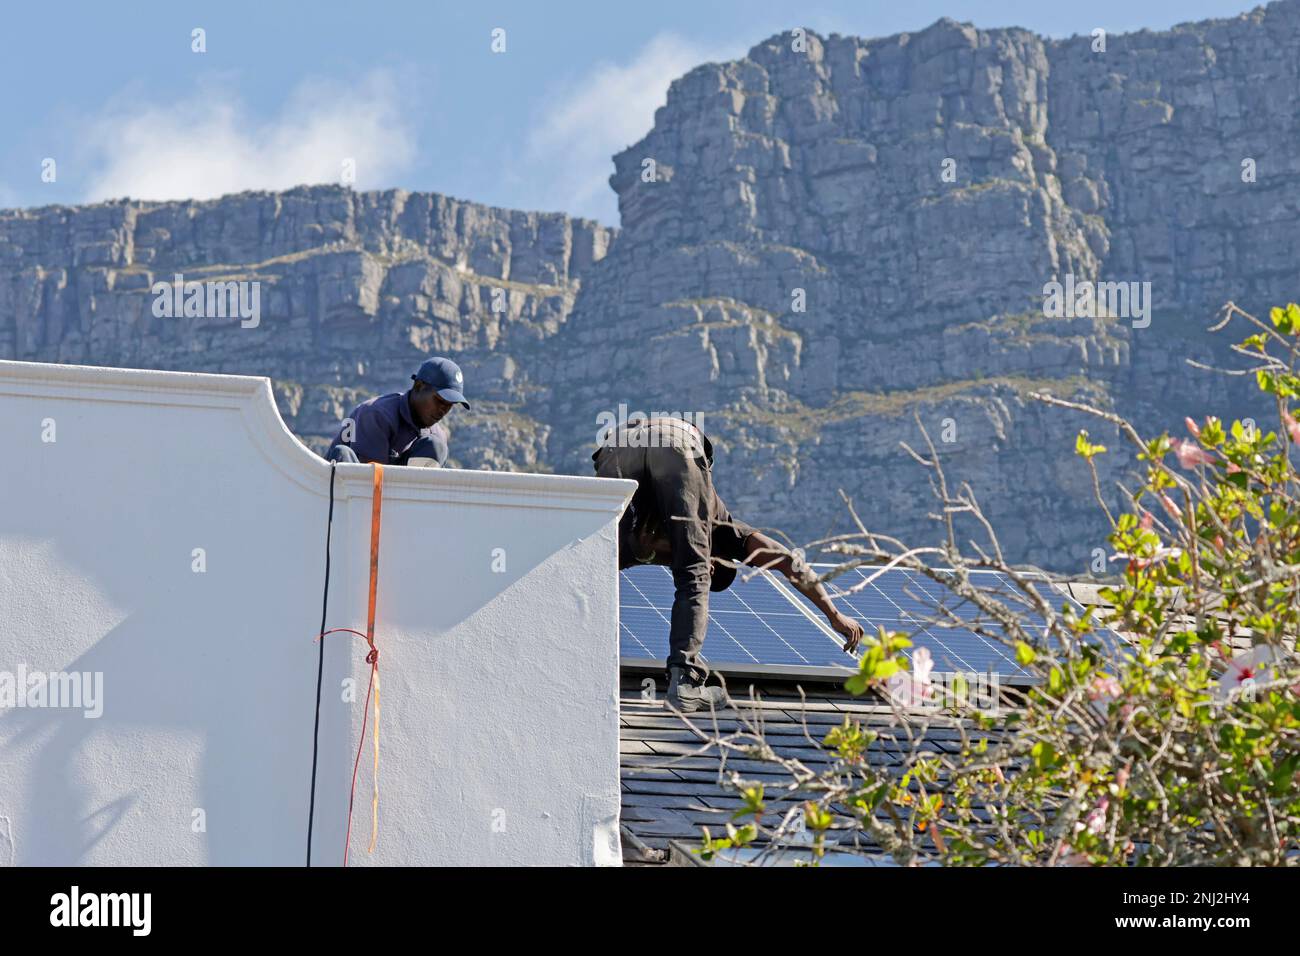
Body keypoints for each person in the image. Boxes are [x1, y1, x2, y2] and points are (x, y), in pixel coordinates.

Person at [594, 417, 864, 712]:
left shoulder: (651, 539)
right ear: (719, 556)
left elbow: (641, 549)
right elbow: (788, 561)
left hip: (618, 444)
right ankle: (685, 682)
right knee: (692, 576)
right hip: (673, 441)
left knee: (593, 560)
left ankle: (571, 661)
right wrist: (835, 614)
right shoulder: (725, 527)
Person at [327, 357, 469, 466]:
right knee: (342, 452)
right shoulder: (376, 414)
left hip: (396, 496)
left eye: (450, 405)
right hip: (344, 494)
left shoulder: (437, 435)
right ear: (419, 386)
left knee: (436, 446)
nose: (444, 410)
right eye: (439, 400)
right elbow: (369, 482)